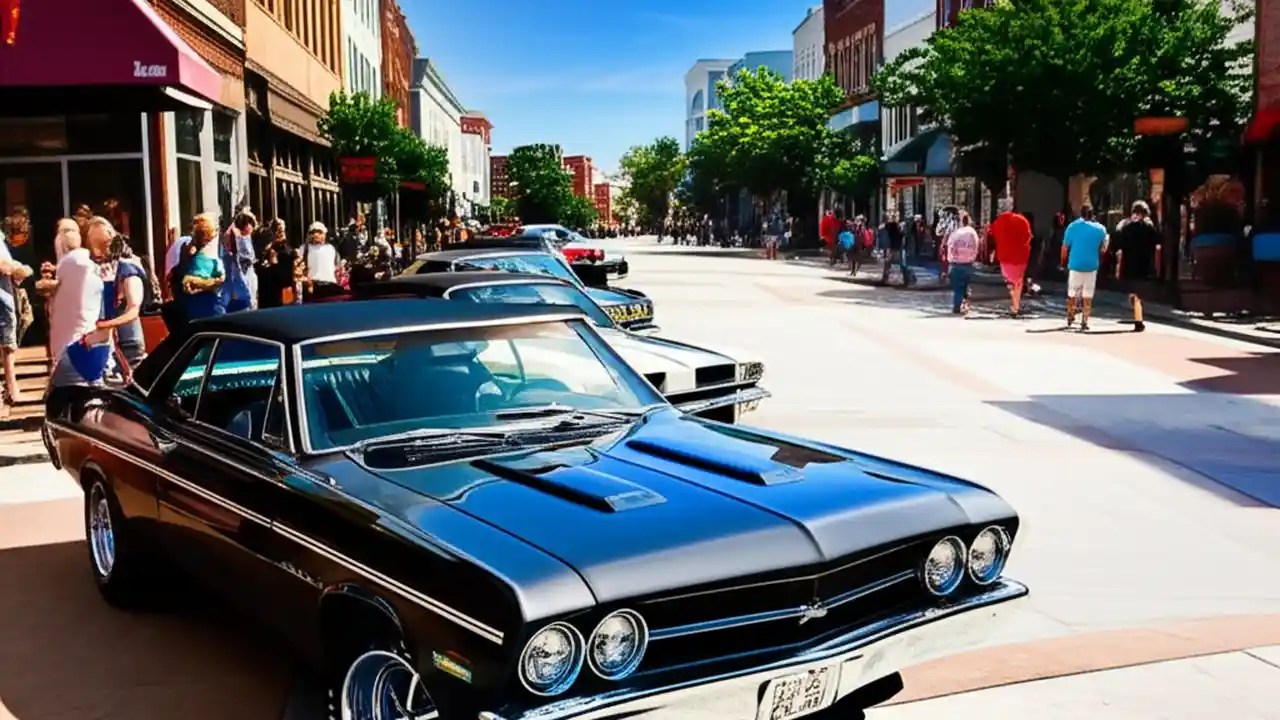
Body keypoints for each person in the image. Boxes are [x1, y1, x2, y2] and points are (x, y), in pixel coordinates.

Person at [47, 218, 113, 390]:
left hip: (74, 348)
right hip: (98, 345)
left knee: (68, 402)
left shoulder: (70, 265)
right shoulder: (97, 270)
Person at [91, 220, 150, 375]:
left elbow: (133, 310)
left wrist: (105, 324)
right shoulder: (106, 269)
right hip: (110, 345)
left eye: (100, 248)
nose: (98, 255)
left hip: (129, 346)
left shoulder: (128, 268)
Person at [0, 213, 33, 416]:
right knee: (7, 345)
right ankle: (12, 389)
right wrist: (21, 269)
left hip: (5, 298)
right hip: (2, 300)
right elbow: (4, 266)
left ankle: (11, 389)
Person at [1113, 200, 1159, 333]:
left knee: (1135, 293)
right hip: (1144, 264)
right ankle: (1138, 318)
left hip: (1129, 265)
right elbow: (1157, 244)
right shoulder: (1150, 228)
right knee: (1139, 293)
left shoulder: (1126, 228)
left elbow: (1118, 245)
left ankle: (1138, 320)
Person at [1060, 205, 1109, 331]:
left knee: (1072, 293)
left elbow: (1065, 247)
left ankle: (1070, 314)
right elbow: (1104, 248)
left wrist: (1062, 262)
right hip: (1091, 266)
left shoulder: (1072, 227)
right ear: (1093, 215)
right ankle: (1085, 320)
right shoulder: (1100, 229)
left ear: (1080, 214)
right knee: (1088, 295)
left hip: (1075, 264)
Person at [173, 214, 226, 321]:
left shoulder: (193, 255)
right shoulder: (206, 258)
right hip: (209, 308)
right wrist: (214, 282)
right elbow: (191, 283)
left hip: (197, 307)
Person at [989, 198, 1032, 316]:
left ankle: (1015, 305)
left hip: (1005, 257)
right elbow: (1028, 237)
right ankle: (1016, 305)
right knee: (1018, 281)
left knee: (1010, 282)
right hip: (1020, 256)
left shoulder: (997, 223)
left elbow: (993, 237)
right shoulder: (1022, 220)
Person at [256, 219, 299, 308]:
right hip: (269, 295)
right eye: (276, 230)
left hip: (286, 292)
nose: (280, 233)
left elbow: (288, 277)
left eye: (282, 231)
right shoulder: (264, 251)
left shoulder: (289, 251)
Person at [220, 210, 258, 312]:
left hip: (234, 292)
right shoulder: (241, 239)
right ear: (247, 226)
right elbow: (247, 258)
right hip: (242, 293)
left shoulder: (231, 239)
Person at [946, 212, 981, 315]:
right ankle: (965, 304)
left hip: (956, 263)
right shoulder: (972, 232)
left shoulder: (955, 233)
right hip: (968, 263)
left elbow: (950, 247)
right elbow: (976, 245)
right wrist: (973, 257)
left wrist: (951, 260)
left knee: (958, 287)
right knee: (966, 285)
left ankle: (957, 306)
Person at [301, 222, 342, 299]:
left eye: (319, 232)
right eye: (313, 232)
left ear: (324, 234)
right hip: (313, 286)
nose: (316, 235)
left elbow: (337, 267)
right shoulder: (303, 249)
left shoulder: (331, 248)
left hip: (331, 285)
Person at [880, 213, 907, 286]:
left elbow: (882, 227)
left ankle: (885, 278)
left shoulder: (891, 228)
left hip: (893, 248)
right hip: (898, 248)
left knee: (888, 264)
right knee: (902, 265)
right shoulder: (897, 228)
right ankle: (906, 280)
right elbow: (903, 235)